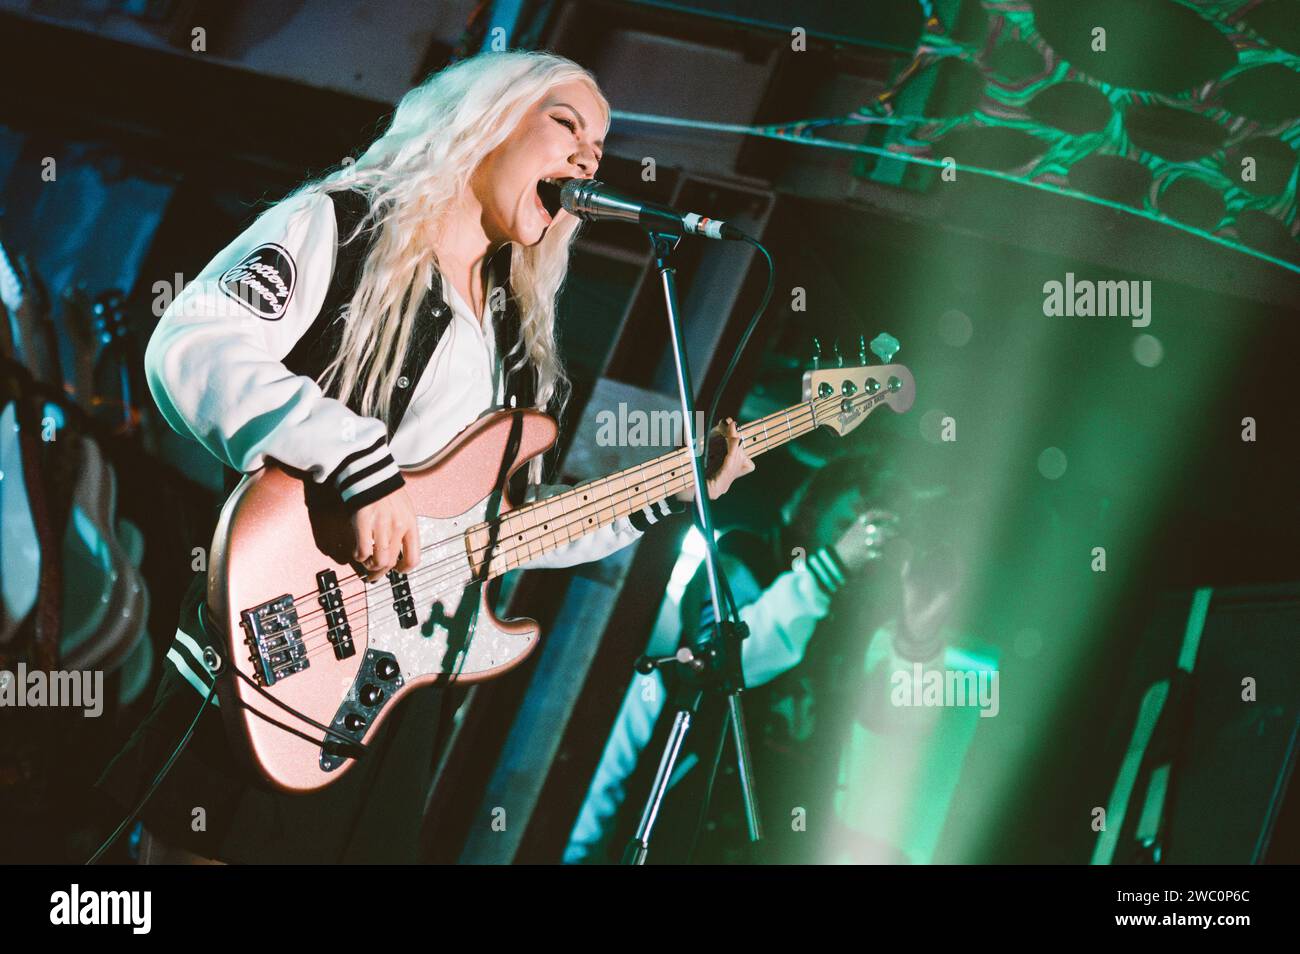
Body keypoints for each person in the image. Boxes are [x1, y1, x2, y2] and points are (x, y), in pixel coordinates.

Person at [90, 50, 753, 864]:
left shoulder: (519, 345)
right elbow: (192, 348)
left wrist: (672, 491)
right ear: (485, 121)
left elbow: (507, 532)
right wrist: (355, 464)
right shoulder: (342, 225)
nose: (589, 158)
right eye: (566, 124)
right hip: (283, 641)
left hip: (395, 697)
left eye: (602, 148)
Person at [564, 453, 960, 864]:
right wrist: (832, 566)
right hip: (686, 833)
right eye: (847, 525)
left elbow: (897, 724)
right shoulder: (742, 556)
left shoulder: (856, 613)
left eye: (872, 536)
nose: (860, 543)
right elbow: (730, 664)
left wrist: (919, 635)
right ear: (810, 510)